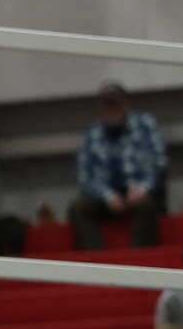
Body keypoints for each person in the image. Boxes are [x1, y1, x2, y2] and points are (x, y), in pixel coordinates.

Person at [68, 81, 167, 250]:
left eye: (116, 104)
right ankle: (98, 262)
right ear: (100, 108)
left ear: (125, 104)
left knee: (146, 205)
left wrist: (143, 187)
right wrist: (107, 195)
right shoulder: (91, 134)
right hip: (105, 198)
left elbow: (160, 162)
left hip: (138, 193)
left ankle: (140, 260)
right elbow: (84, 176)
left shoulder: (145, 125)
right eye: (108, 105)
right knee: (78, 207)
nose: (113, 109)